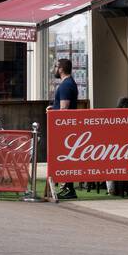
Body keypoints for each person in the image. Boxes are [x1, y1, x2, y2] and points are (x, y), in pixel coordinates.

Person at [52, 58, 79, 199]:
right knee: (66, 158)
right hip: (66, 128)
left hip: (64, 129)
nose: (54, 69)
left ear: (61, 68)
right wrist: (53, 108)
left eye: (56, 66)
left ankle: (69, 189)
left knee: (66, 158)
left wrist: (54, 113)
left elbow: (64, 109)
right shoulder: (68, 84)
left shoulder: (66, 85)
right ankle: (67, 187)